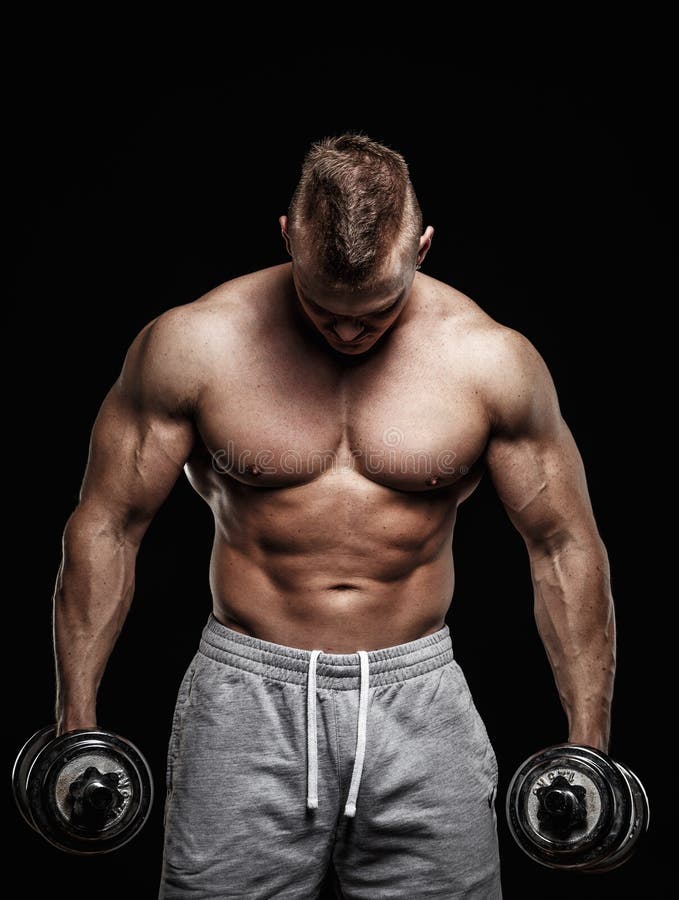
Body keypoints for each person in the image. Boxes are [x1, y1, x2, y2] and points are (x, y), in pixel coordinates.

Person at [52, 133, 615, 899]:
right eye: (322, 308)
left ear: (421, 249)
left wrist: (588, 742)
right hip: (245, 695)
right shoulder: (194, 345)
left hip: (419, 699)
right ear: (288, 237)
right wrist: (75, 719)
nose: (348, 332)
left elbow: (561, 544)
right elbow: (108, 524)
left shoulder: (489, 362)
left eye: (376, 311)